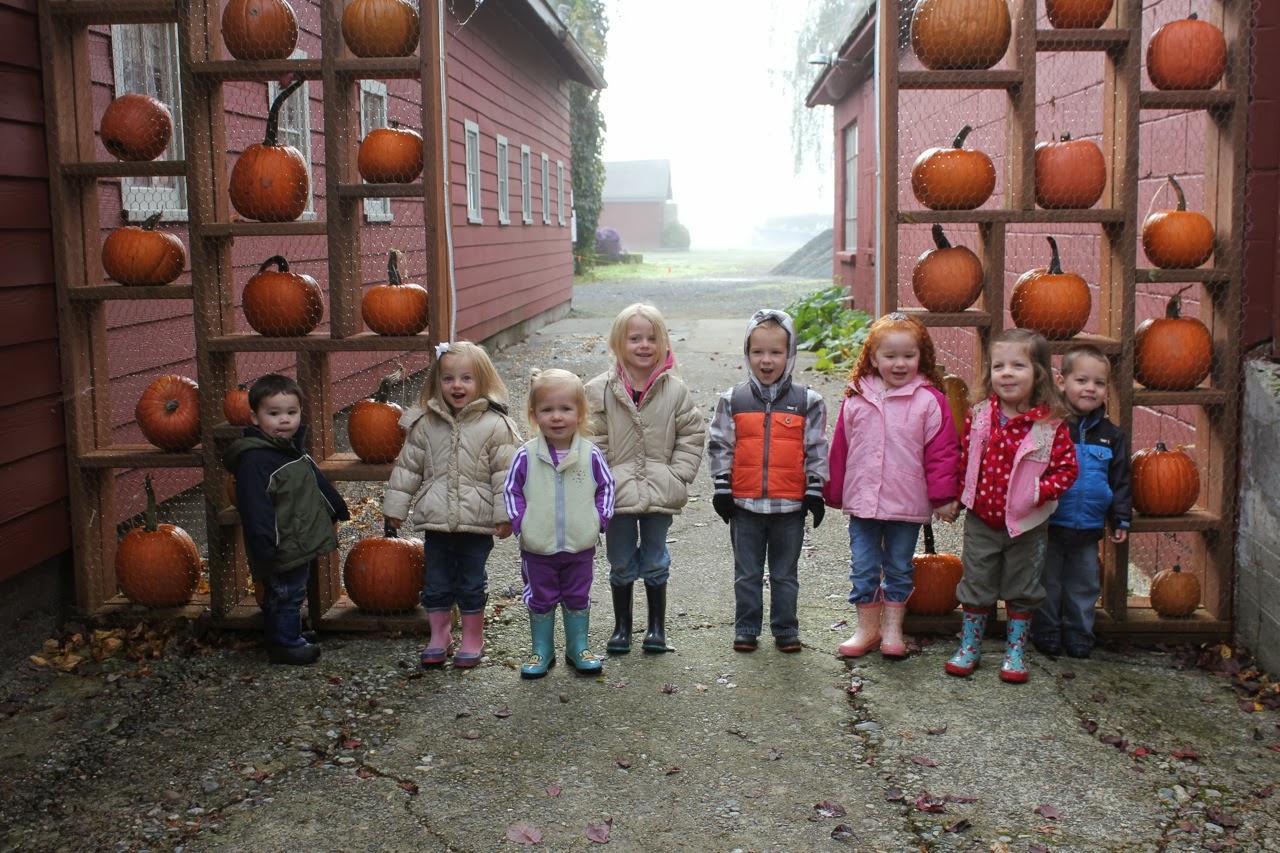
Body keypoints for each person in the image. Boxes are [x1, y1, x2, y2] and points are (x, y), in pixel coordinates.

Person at [942, 329, 1079, 683]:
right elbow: (965, 459)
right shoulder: (980, 414)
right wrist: (957, 497)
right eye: (998, 365)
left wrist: (1038, 491)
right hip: (982, 519)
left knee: (1023, 586)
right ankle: (970, 644)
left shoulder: (1050, 425)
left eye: (1018, 365)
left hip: (1028, 524)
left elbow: (1067, 470)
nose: (1006, 373)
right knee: (976, 581)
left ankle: (1015, 650)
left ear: (1039, 374)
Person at [823, 312, 961, 660]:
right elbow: (841, 447)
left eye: (909, 356)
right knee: (864, 566)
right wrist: (835, 490)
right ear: (873, 357)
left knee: (899, 567)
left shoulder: (929, 401)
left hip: (907, 503)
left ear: (922, 357)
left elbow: (943, 452)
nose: (900, 364)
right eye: (890, 356)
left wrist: (944, 497)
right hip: (864, 502)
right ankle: (866, 629)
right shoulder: (857, 397)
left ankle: (892, 630)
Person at [383, 342, 522, 668]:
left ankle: (473, 637)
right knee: (436, 583)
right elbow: (407, 470)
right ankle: (440, 636)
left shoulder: (495, 425)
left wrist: (506, 516)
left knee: (471, 583)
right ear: (437, 382)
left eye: (466, 378)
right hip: (436, 521)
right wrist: (394, 509)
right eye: (448, 379)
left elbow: (506, 475)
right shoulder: (426, 424)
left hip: (477, 522)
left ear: (482, 382)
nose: (456, 386)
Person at [586, 303, 706, 655]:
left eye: (652, 338)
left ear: (664, 343)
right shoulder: (599, 391)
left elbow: (691, 434)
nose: (643, 345)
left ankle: (656, 628)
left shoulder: (675, 391)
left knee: (655, 558)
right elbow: (594, 437)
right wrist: (603, 480)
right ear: (618, 343)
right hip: (617, 494)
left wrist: (678, 474)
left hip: (660, 490)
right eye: (634, 338)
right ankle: (622, 627)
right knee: (620, 559)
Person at [708, 309, 828, 653]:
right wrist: (722, 487)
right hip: (744, 505)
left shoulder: (808, 402)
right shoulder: (733, 400)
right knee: (746, 574)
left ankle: (786, 628)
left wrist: (814, 490)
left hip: (789, 506)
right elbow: (720, 444)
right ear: (747, 353)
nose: (766, 360)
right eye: (758, 351)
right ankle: (746, 627)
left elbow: (817, 447)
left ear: (790, 355)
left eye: (776, 352)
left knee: (784, 575)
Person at [224, 373, 350, 665]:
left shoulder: (289, 450)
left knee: (292, 590)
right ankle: (284, 644)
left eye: (291, 413)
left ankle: (289, 634)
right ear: (255, 418)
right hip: (278, 544)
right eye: (274, 413)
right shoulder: (255, 462)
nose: (284, 420)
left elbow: (314, 479)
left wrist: (336, 505)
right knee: (285, 594)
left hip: (296, 539)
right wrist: (265, 548)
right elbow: (255, 510)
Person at [504, 368, 616, 678]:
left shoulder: (590, 455)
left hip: (580, 545)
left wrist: (599, 520)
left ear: (579, 413)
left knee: (578, 595)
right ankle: (542, 649)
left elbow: (606, 488)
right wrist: (520, 523)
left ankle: (577, 646)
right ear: (534, 414)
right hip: (537, 546)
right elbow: (512, 489)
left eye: (565, 409)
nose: (557, 417)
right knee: (540, 597)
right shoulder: (526, 455)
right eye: (547, 410)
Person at [1031, 344, 1132, 659]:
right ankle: (1046, 632)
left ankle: (1078, 634)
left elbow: (1121, 480)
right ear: (1062, 382)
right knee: (1047, 583)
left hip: (1088, 528)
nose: (1090, 388)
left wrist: (1121, 518)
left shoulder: (1111, 436)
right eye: (1082, 380)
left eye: (1099, 383)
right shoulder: (1049, 426)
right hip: (1050, 523)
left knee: (1084, 585)